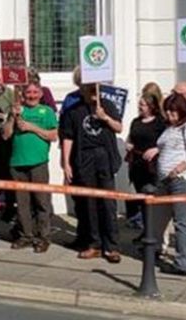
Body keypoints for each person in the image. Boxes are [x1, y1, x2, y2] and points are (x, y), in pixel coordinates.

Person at [61, 83, 123, 263]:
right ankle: (94, 244)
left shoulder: (108, 105)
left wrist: (105, 118)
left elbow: (119, 127)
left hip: (105, 156)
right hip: (84, 157)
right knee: (89, 203)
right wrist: (66, 163)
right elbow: (68, 137)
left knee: (108, 202)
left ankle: (111, 246)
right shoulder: (74, 110)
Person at [149, 92, 186, 276]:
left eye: (173, 113)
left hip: (182, 179)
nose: (170, 116)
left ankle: (182, 263)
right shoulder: (170, 129)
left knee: (182, 222)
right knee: (183, 222)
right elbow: (165, 146)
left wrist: (177, 169)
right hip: (166, 180)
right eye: (168, 112)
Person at [4, 81, 58, 253]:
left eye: (35, 92)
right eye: (29, 92)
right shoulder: (17, 111)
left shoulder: (47, 111)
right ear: (23, 94)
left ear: (41, 94)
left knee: (41, 202)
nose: (32, 95)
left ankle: (43, 237)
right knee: (22, 204)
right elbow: (6, 135)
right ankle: (26, 235)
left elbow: (53, 136)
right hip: (17, 163)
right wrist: (12, 117)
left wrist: (32, 127)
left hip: (38, 163)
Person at [125, 84, 166, 231]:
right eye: (139, 104)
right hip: (137, 166)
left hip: (152, 167)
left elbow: (168, 142)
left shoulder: (160, 122)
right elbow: (131, 138)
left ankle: (153, 235)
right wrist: (129, 144)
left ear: (150, 106)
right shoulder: (136, 122)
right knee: (141, 198)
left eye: (143, 105)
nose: (140, 107)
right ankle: (145, 232)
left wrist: (156, 149)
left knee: (151, 198)